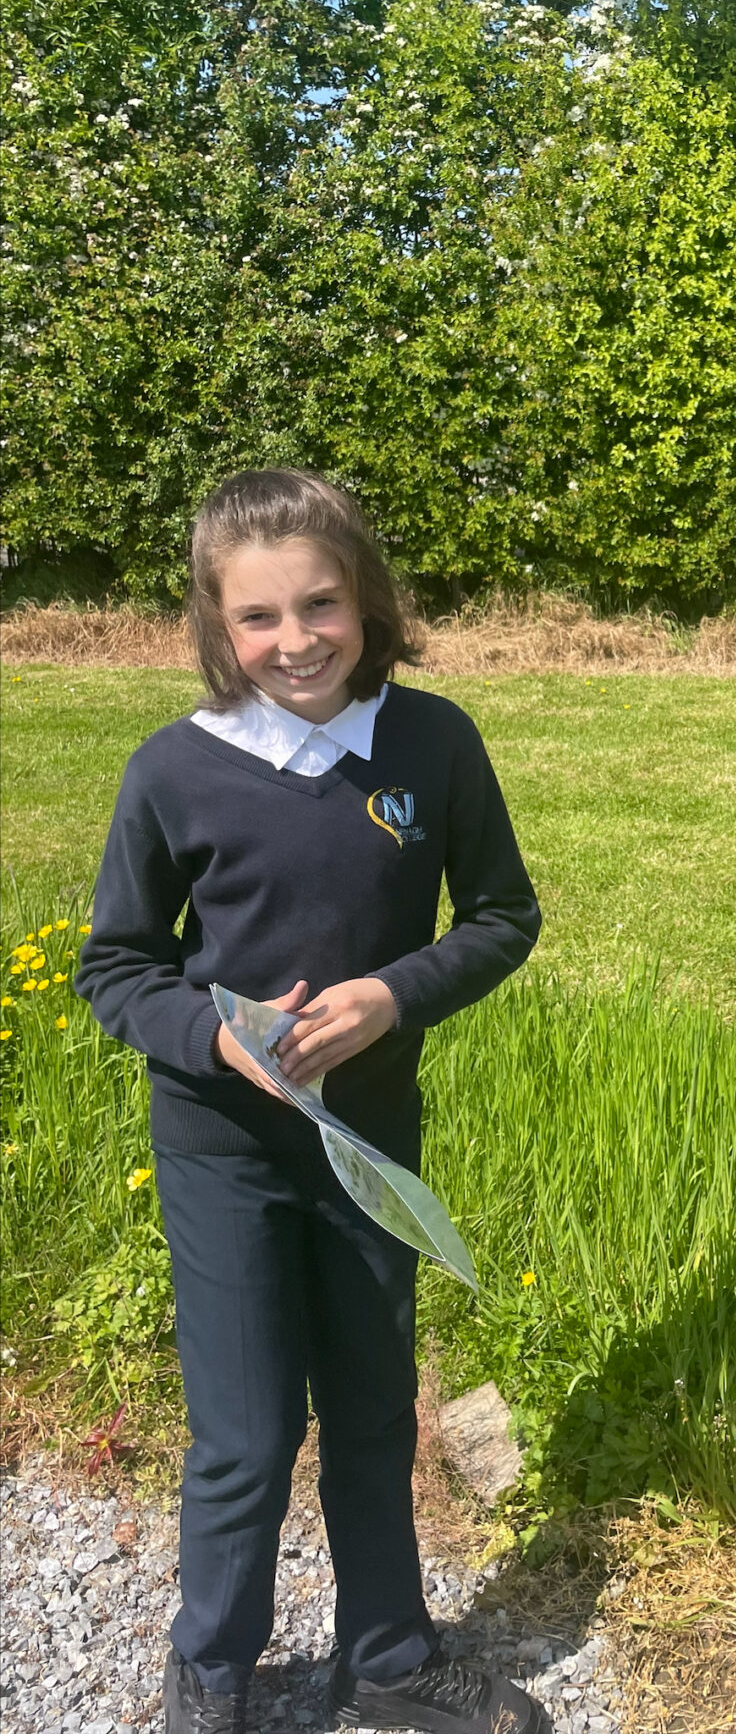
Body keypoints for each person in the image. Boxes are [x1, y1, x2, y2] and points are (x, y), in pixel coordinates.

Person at [77, 469, 547, 1734]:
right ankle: (211, 1675)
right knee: (245, 1431)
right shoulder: (174, 769)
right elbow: (115, 965)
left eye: (321, 604)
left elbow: (502, 915)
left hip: (367, 1146)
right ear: (215, 624)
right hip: (221, 1147)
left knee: (373, 1406)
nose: (295, 639)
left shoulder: (432, 742)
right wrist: (211, 1038)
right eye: (258, 617)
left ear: (367, 598)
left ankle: (386, 1656)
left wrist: (393, 994)